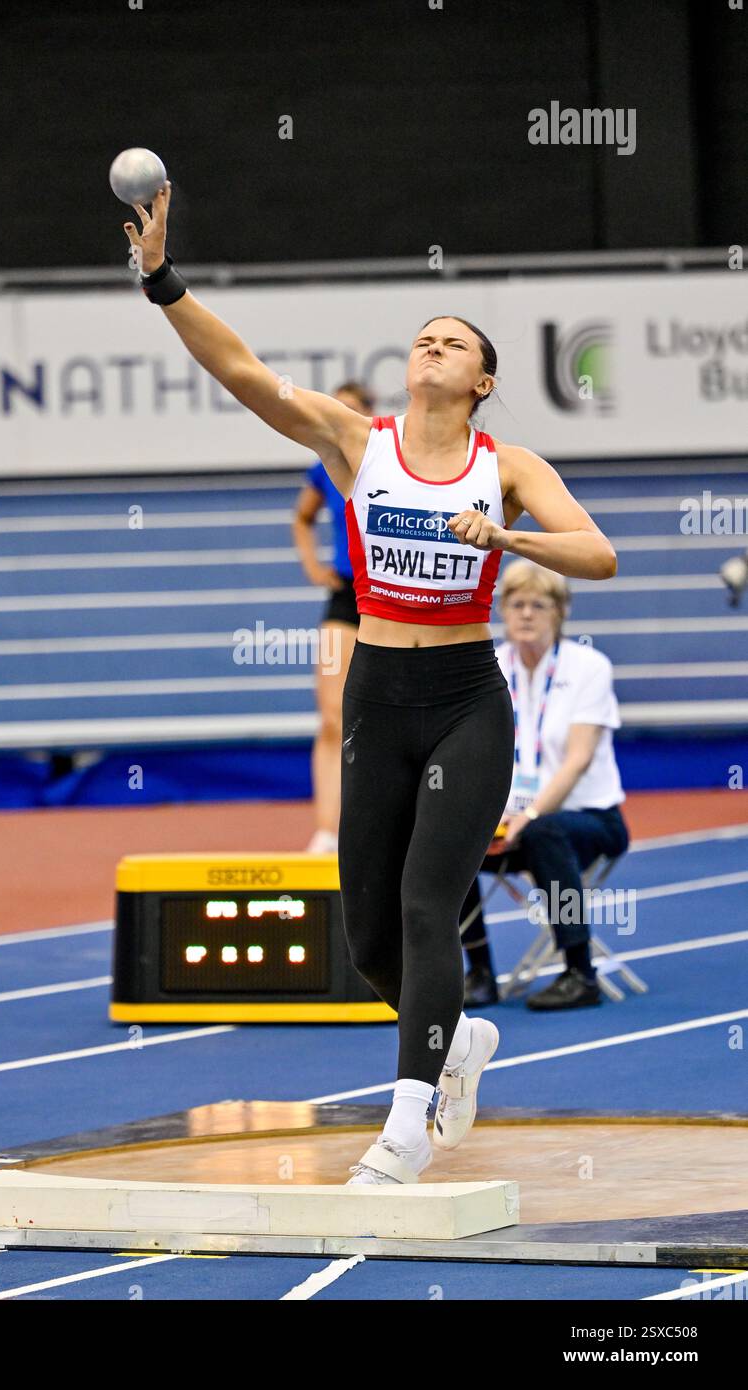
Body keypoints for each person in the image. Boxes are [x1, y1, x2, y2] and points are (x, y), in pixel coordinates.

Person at [123, 184, 618, 1187]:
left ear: (481, 380)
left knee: (429, 901)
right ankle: (460, 1038)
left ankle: (402, 1128)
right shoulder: (360, 444)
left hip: (467, 698)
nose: (430, 346)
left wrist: (506, 534)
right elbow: (245, 374)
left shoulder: (505, 464)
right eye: (422, 337)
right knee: (367, 930)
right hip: (378, 693)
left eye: (452, 343)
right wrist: (161, 281)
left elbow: (598, 554)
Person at [458, 560, 630, 1009]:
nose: (527, 614)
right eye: (517, 604)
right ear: (502, 611)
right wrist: (487, 819)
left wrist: (529, 815)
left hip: (590, 820)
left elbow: (577, 760)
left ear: (560, 611)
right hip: (506, 822)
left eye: (539, 604)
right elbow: (472, 753)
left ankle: (580, 972)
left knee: (543, 833)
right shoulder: (487, 665)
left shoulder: (590, 666)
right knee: (447, 836)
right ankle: (477, 972)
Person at [293, 381, 373, 854]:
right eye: (334, 408)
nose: (339, 417)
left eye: (351, 410)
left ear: (367, 415)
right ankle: (327, 830)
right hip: (344, 599)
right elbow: (301, 517)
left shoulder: (386, 459)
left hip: (390, 594)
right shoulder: (324, 464)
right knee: (331, 716)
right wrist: (312, 564)